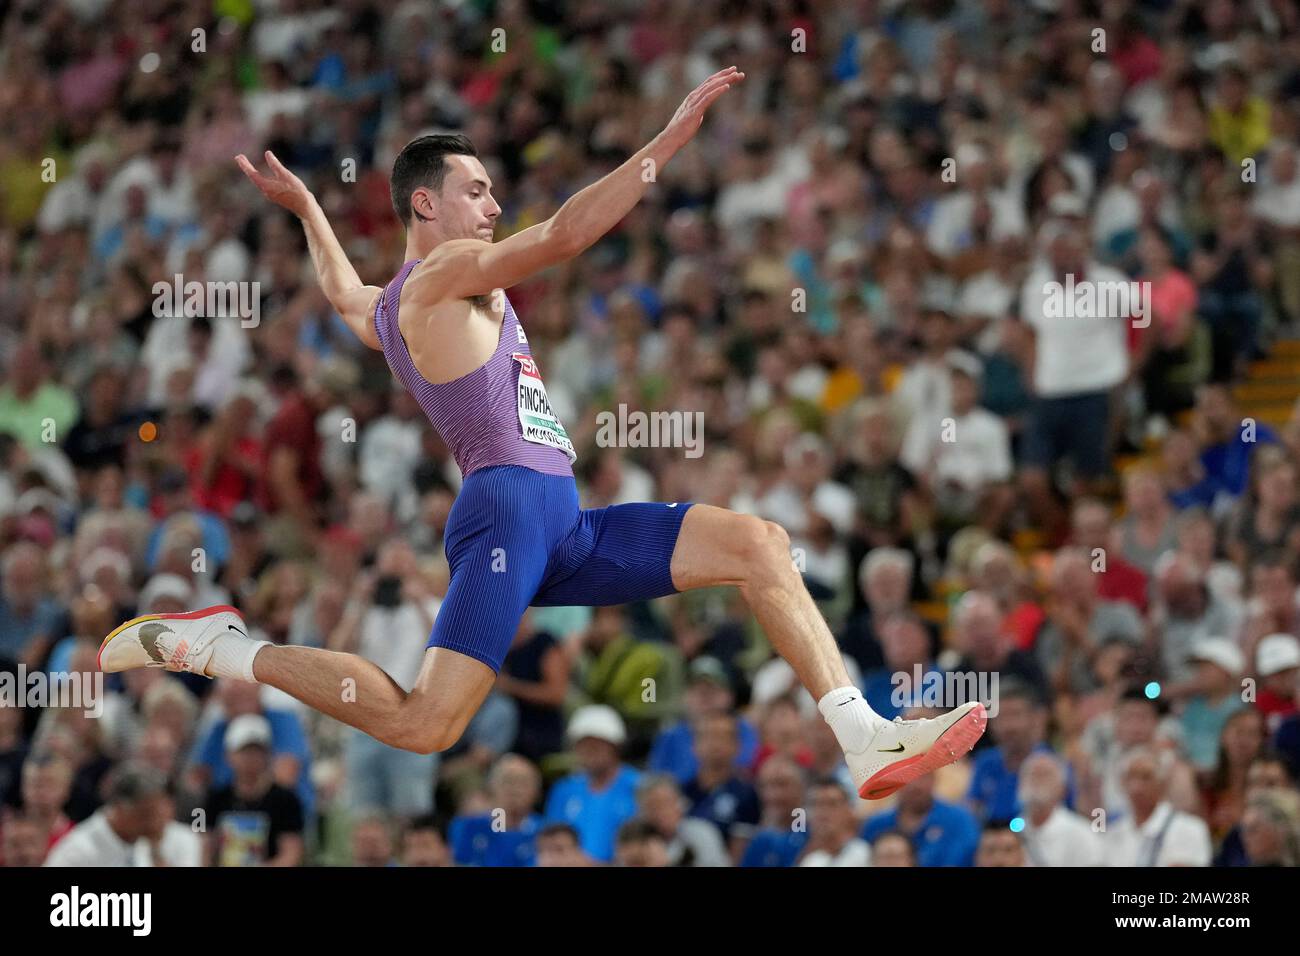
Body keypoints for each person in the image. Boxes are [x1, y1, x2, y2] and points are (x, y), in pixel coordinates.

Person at [100, 67, 985, 806]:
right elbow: (565, 233)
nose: (491, 204)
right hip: (508, 511)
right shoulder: (441, 273)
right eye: (475, 190)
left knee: (759, 545)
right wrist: (667, 144)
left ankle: (862, 735)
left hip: (560, 522)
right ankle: (224, 647)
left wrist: (304, 210)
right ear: (425, 204)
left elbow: (341, 296)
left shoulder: (393, 308)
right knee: (424, 724)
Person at [44, 763, 197, 867]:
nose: (155, 823)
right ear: (120, 808)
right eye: (147, 814)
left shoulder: (143, 841)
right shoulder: (78, 853)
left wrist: (156, 852)